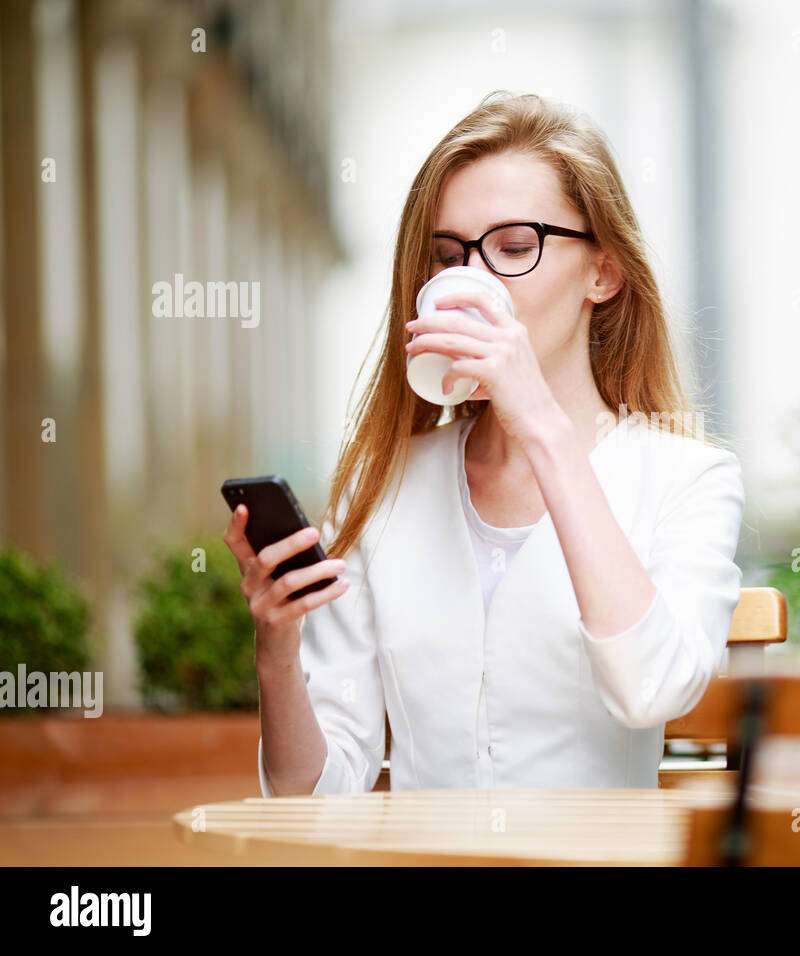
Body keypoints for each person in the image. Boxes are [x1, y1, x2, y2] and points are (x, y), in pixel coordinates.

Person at [223, 90, 745, 795]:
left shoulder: (687, 478)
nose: (472, 279)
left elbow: (651, 689)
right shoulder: (385, 486)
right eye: (448, 256)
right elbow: (314, 796)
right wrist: (278, 659)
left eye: (514, 247)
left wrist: (542, 426)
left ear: (604, 271)